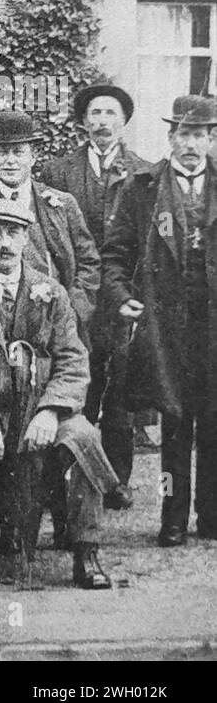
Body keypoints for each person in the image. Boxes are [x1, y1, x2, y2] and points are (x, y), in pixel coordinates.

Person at [0, 199, 117, 596]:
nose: (4, 243)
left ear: (26, 237)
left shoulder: (51, 292)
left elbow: (73, 362)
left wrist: (50, 412)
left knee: (82, 435)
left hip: (37, 411)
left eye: (13, 232)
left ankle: (86, 550)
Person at [101, 95, 217, 547]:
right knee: (173, 421)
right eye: (184, 135)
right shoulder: (143, 188)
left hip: (212, 325)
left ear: (211, 140)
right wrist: (122, 297)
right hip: (165, 325)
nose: (191, 144)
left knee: (212, 419)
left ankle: (209, 514)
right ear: (170, 138)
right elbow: (114, 255)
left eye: (200, 135)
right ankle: (172, 516)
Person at [40, 83, 150, 509]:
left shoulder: (143, 172)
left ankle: (114, 482)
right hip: (74, 298)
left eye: (110, 114)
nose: (102, 121)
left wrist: (131, 295)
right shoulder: (57, 172)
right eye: (95, 113)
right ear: (83, 121)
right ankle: (64, 479)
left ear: (123, 121)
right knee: (74, 388)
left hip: (121, 301)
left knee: (120, 394)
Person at [0, 110, 100, 335]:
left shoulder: (62, 205)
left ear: (33, 157)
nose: (10, 161)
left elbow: (89, 263)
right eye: (3, 152)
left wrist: (70, 310)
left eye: (18, 152)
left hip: (53, 322)